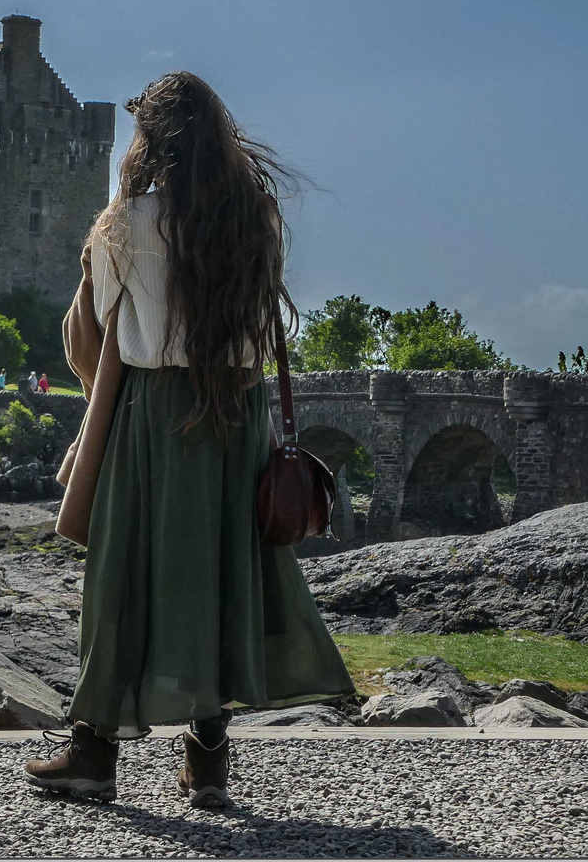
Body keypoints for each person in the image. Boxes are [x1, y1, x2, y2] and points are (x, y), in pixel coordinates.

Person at [24, 71, 354, 808]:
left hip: (154, 410)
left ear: (153, 139)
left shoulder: (127, 220)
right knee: (218, 574)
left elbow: (98, 325)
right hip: (237, 414)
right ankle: (206, 766)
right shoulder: (256, 216)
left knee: (123, 576)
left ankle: (92, 754)